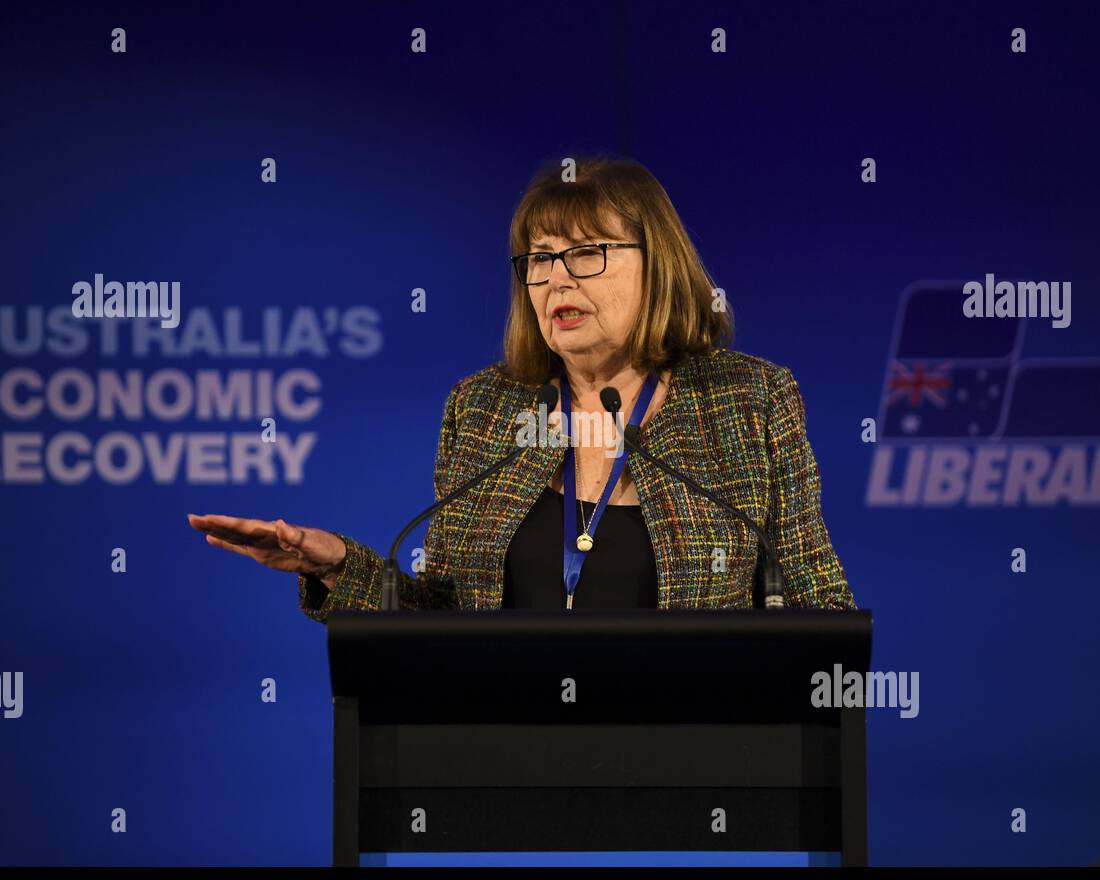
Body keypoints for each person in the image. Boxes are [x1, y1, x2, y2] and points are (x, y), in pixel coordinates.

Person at [188, 156, 855, 619]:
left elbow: (819, 604)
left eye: (587, 252)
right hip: (510, 772)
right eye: (540, 259)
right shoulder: (484, 409)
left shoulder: (748, 402)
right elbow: (441, 616)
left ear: (659, 267)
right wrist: (332, 564)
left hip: (699, 772)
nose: (557, 279)